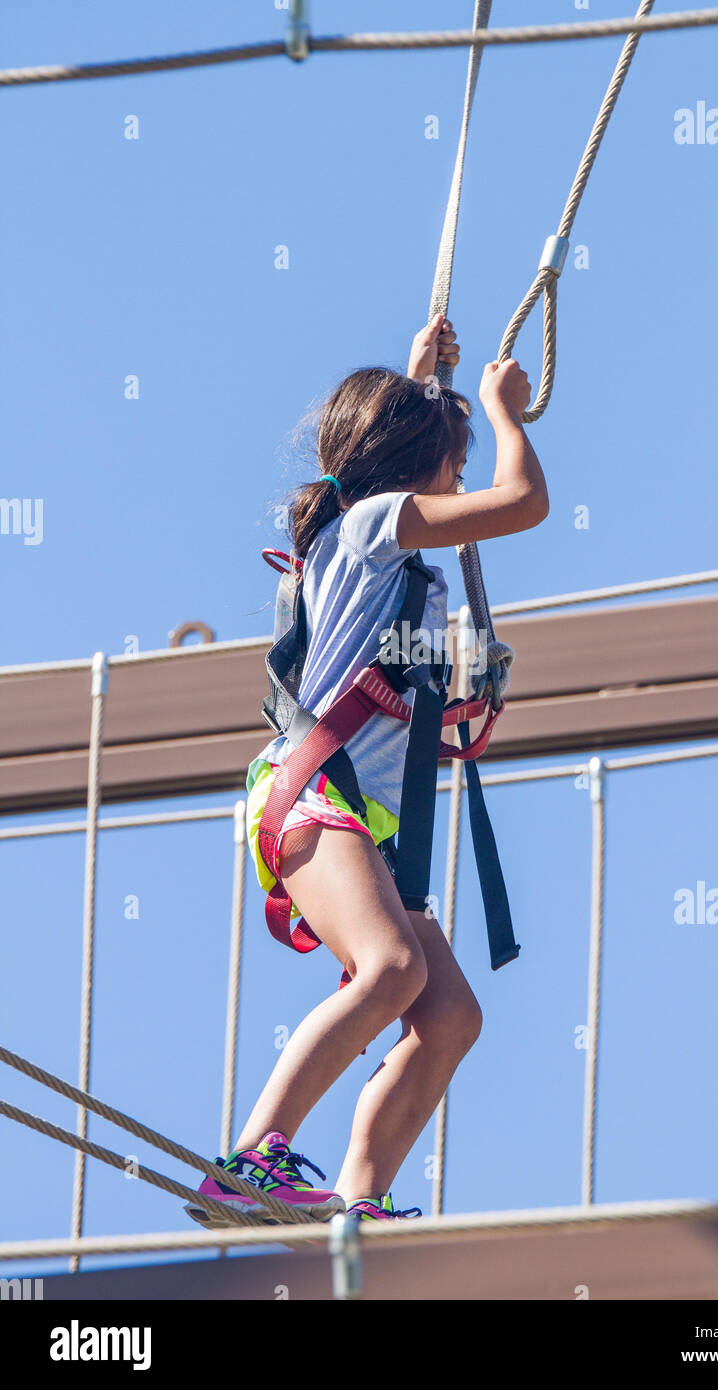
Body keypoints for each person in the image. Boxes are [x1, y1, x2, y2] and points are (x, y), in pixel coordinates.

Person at [186, 314, 548, 1229]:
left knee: (450, 1015)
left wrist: (428, 378)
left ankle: (358, 1197)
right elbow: (523, 502)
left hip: (362, 826)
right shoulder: (373, 524)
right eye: (451, 469)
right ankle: (252, 1158)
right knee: (389, 967)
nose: (457, 491)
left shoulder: (400, 566)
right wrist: (506, 416)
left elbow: (421, 465)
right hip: (313, 797)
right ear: (419, 467)